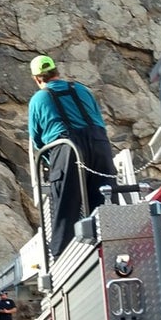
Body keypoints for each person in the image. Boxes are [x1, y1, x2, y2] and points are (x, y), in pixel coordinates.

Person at [27, 55, 116, 258]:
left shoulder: (38, 99)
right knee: (105, 201)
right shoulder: (82, 90)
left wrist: (54, 164)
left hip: (66, 147)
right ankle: (112, 248)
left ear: (37, 78)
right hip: (100, 144)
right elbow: (99, 121)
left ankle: (62, 258)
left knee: (66, 208)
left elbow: (37, 141)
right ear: (56, 71)